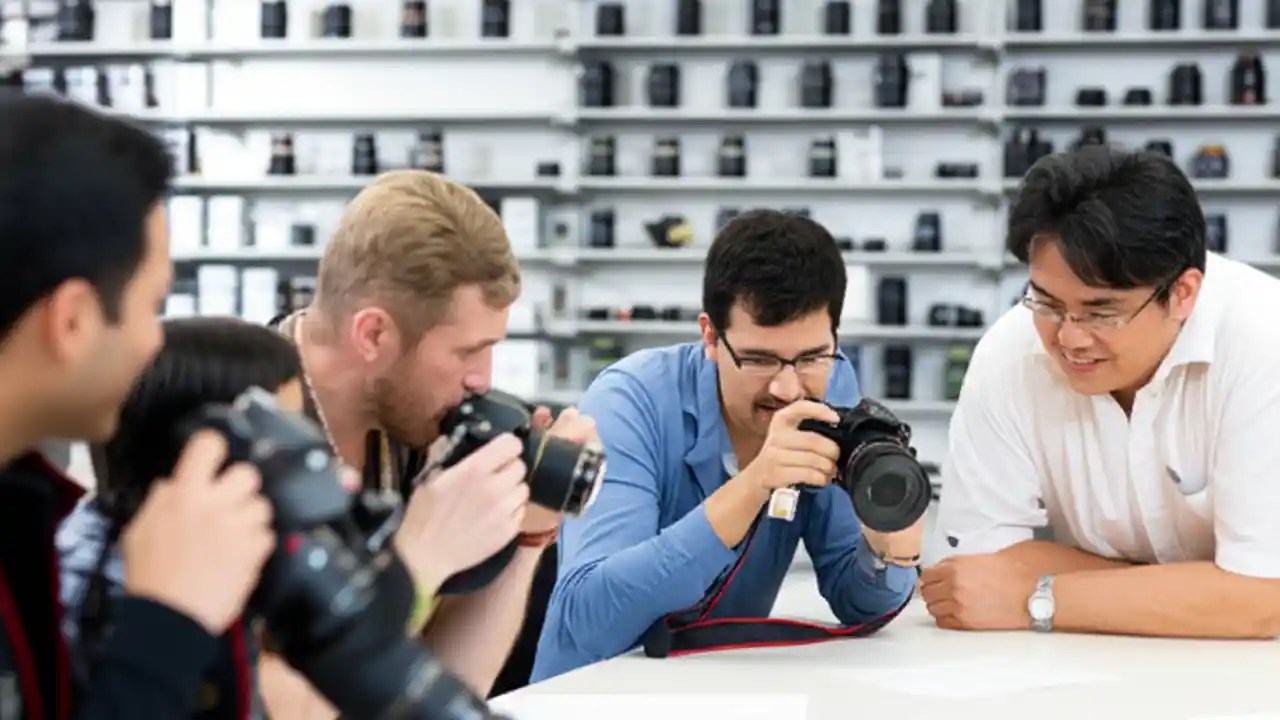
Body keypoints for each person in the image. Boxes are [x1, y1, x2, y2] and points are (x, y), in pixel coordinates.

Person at [531, 209, 925, 682]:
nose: (787, 389)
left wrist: (890, 551)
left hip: (728, 693)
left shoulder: (832, 383)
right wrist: (753, 486)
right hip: (588, 697)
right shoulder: (628, 401)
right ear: (711, 337)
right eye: (758, 359)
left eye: (811, 357)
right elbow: (588, 619)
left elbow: (855, 600)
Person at [923, 145, 1280, 639]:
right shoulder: (1010, 353)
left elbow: (1263, 600)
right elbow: (974, 573)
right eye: (1046, 302)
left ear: (1182, 293)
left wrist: (1036, 596)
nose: (1069, 338)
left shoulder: (1262, 341)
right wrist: (1195, 592)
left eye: (1101, 313)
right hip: (1084, 658)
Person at [269, 169, 598, 698]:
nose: (483, 380)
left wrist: (528, 535)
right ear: (373, 334)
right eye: (468, 352)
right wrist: (418, 560)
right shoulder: (240, 438)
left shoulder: (416, 427)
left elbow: (443, 686)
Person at [0, 95, 275, 718]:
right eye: (153, 306)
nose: (155, 342)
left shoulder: (25, 512)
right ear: (73, 320)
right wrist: (167, 621)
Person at [58, 317, 312, 720]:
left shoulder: (209, 567)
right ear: (198, 450)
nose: (303, 467)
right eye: (282, 444)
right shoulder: (97, 604)